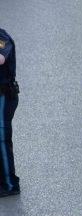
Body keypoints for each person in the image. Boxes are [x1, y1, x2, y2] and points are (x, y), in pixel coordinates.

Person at [0, 26, 20, 197]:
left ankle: (10, 184)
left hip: (4, 96)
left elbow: (0, 59)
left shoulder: (2, 37)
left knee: (1, 138)